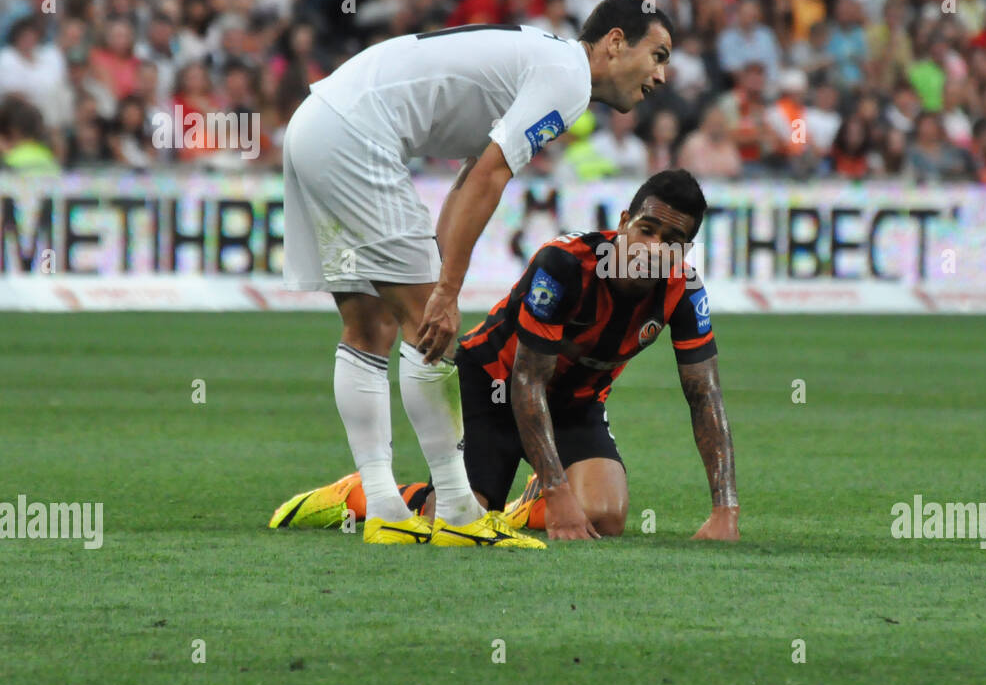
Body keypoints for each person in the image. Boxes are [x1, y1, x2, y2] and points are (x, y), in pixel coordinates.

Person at [278, 0, 674, 545]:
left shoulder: (541, 61)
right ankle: (460, 517)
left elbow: (467, 181)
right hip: (356, 138)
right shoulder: (568, 79)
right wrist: (445, 289)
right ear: (613, 42)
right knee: (429, 331)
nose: (662, 75)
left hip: (317, 124)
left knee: (371, 327)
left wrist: (440, 274)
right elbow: (490, 177)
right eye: (657, 54)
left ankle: (384, 507)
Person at [270, 170, 740, 543]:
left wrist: (725, 510)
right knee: (450, 522)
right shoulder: (563, 265)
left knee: (605, 516)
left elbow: (705, 395)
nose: (654, 247)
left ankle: (519, 505)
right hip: (493, 386)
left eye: (672, 241)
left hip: (574, 406)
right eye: (647, 229)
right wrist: (557, 493)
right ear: (622, 222)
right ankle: (357, 494)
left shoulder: (684, 290)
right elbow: (527, 380)